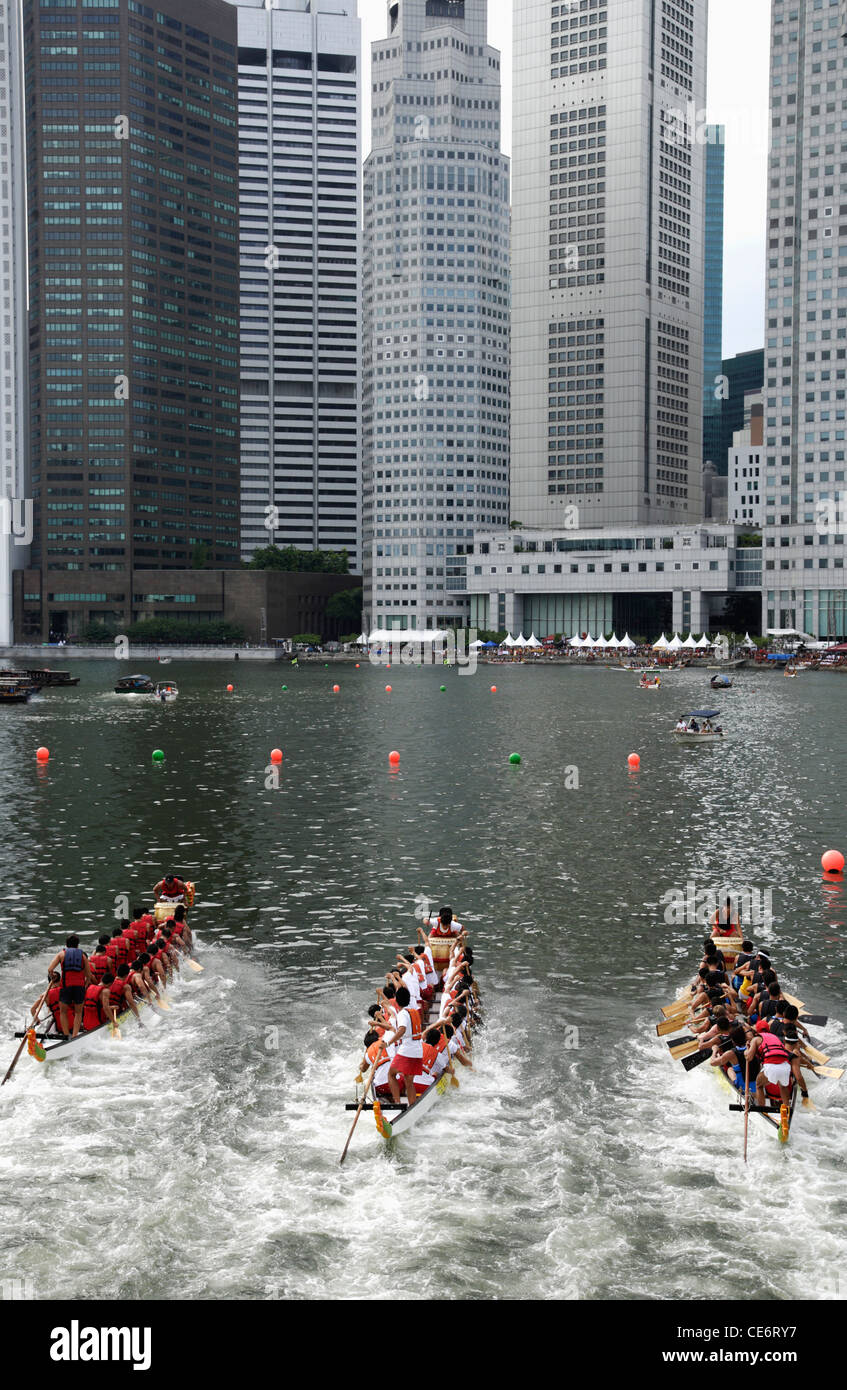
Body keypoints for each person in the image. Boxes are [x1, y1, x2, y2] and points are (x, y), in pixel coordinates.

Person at [45, 934, 92, 1039]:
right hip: (79, 987)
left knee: (63, 1011)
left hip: (66, 986)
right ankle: (75, 1035)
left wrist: (53, 977)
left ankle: (66, 1035)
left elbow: (50, 969)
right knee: (78, 1012)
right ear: (77, 945)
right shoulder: (83, 956)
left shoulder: (61, 954)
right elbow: (88, 976)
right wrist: (84, 986)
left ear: (66, 944)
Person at [383, 985, 423, 1106]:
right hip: (418, 1049)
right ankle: (412, 1105)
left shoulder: (402, 1014)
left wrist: (388, 1043)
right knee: (408, 1081)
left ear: (396, 999)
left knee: (391, 1074)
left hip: (407, 1049)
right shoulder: (414, 1011)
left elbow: (401, 1030)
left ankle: (397, 1103)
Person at [748, 1020, 792, 1110]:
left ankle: (762, 1110)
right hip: (785, 1066)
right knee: (783, 1087)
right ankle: (787, 1111)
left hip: (771, 1066)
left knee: (759, 1085)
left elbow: (749, 1057)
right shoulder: (775, 1037)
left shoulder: (756, 1039)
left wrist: (747, 1049)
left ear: (757, 1031)